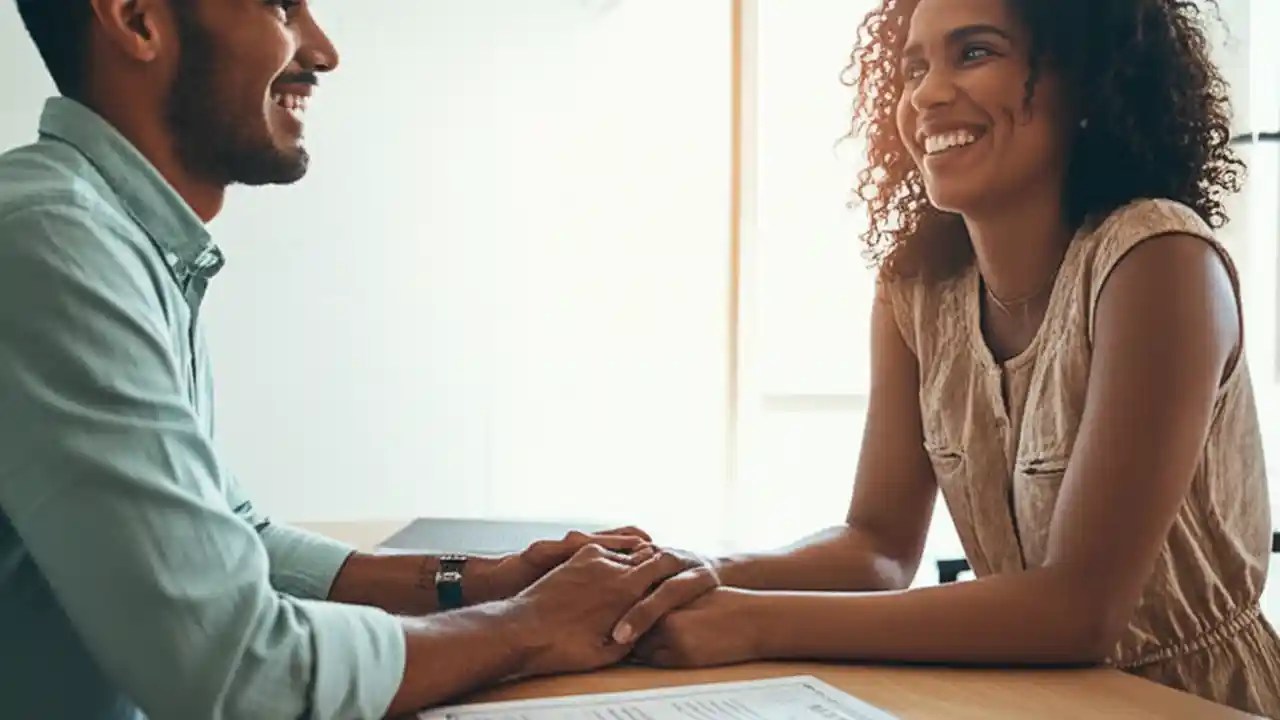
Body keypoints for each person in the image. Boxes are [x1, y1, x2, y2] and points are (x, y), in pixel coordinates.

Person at [0, 1, 712, 717]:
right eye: (282, 7)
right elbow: (239, 670)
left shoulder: (109, 234)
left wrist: (482, 582)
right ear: (136, 18)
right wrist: (529, 628)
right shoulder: (52, 243)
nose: (323, 50)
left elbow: (234, 537)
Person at [612, 0, 1280, 716]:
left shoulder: (1159, 260)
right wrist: (703, 574)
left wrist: (751, 619)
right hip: (1027, 700)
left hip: (1197, 702)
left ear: (1086, 79)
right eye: (912, 66)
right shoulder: (915, 289)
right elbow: (876, 549)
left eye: (974, 53)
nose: (926, 93)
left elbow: (1079, 609)